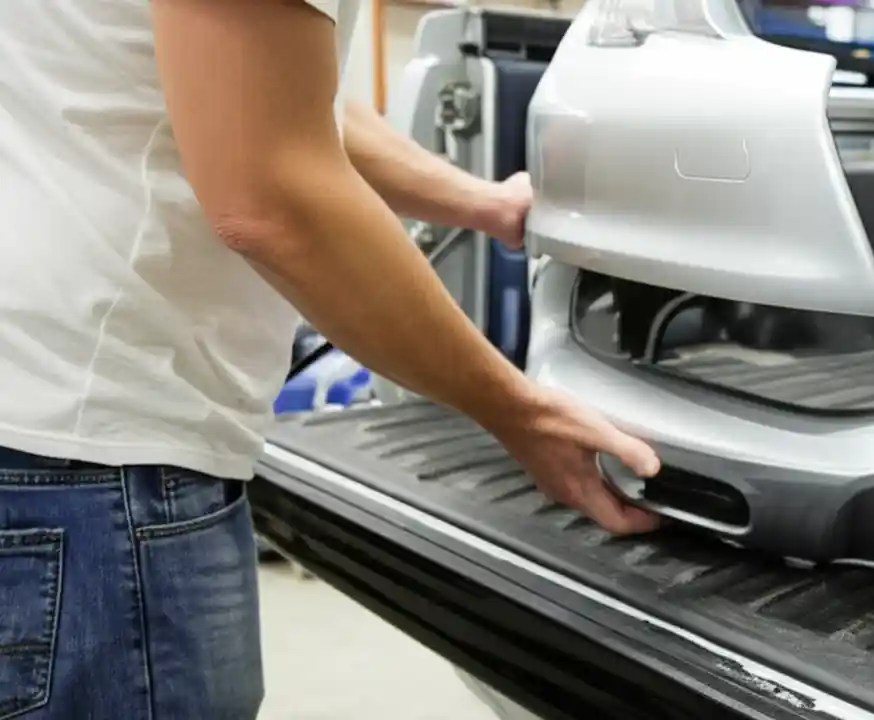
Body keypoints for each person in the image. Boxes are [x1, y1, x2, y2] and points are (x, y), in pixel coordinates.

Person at [0, 1, 660, 717]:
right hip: (97, 461)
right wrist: (520, 413)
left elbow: (273, 92)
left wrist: (480, 203)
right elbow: (269, 198)